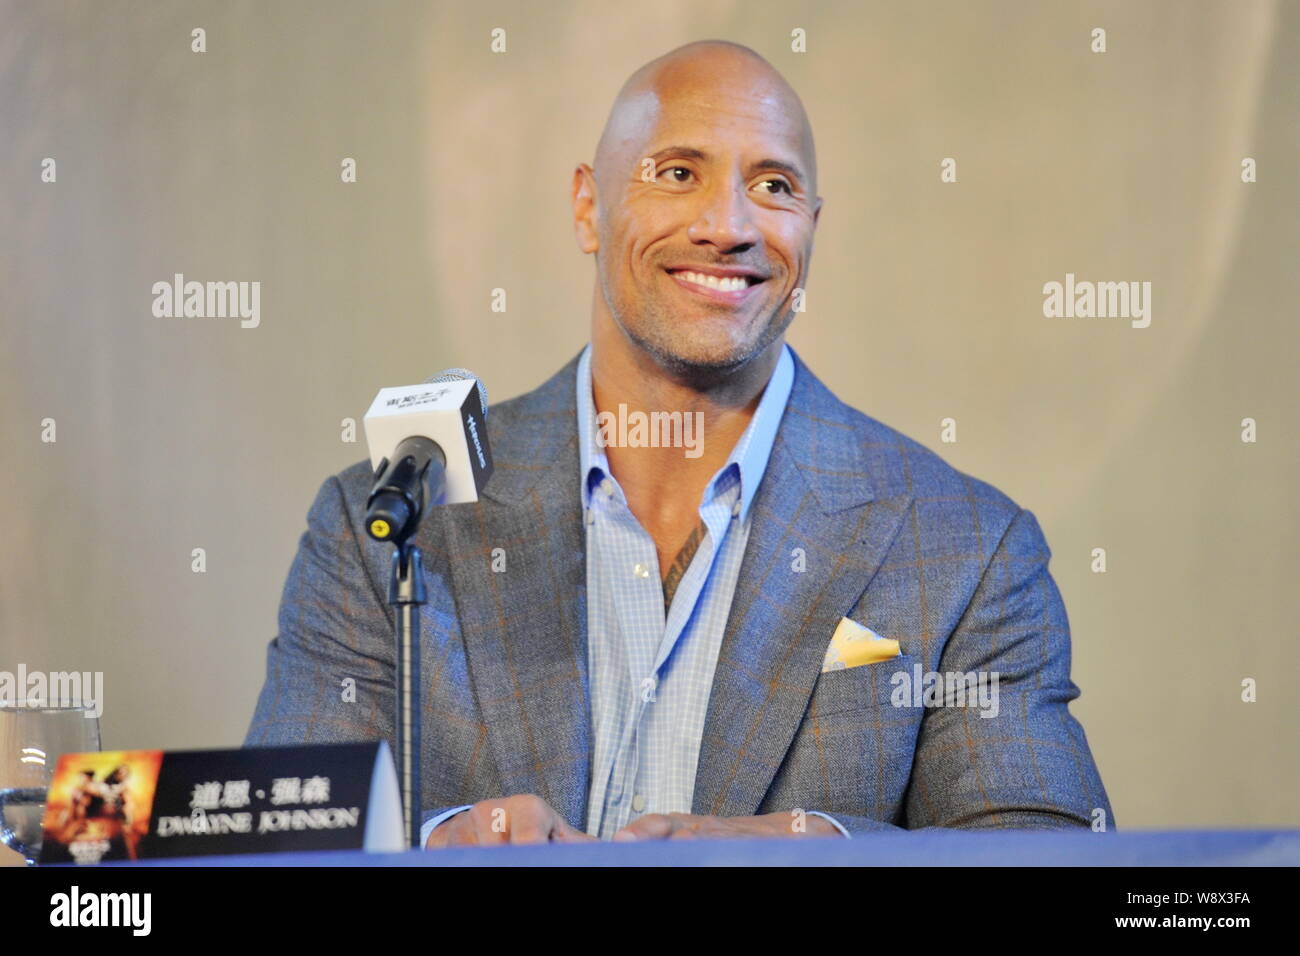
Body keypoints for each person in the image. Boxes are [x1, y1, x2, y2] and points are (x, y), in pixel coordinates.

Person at [246, 40, 1113, 847]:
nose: (727, 224)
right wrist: (436, 846)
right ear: (589, 205)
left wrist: (809, 854)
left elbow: (1040, 851)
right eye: (677, 172)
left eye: (774, 186)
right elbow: (274, 837)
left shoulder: (967, 550)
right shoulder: (390, 521)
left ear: (812, 227)